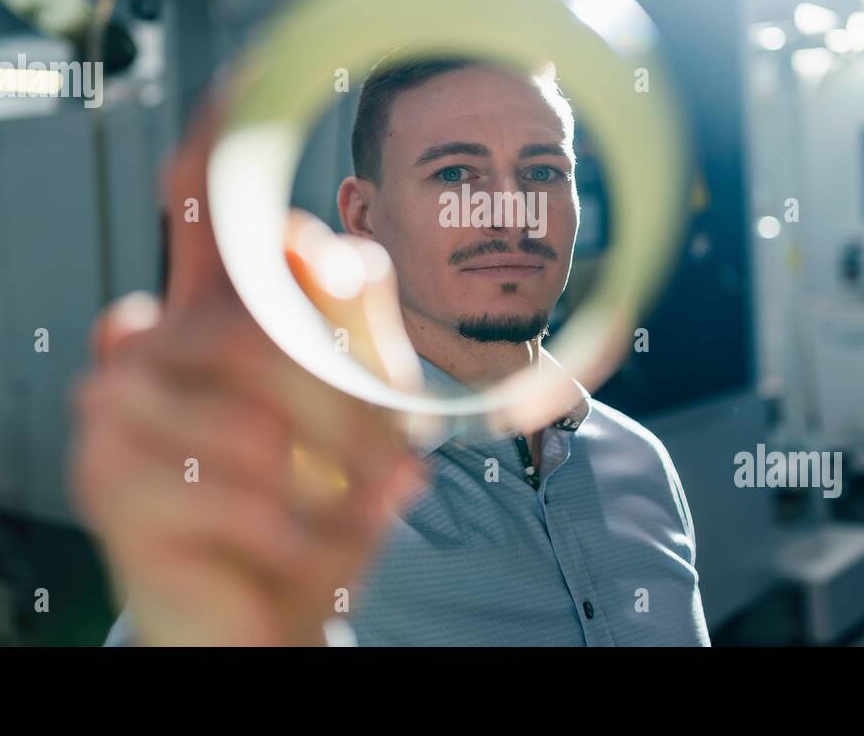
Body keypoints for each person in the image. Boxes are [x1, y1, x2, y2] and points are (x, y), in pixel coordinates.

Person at [75, 55, 709, 646]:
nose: (510, 214)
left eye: (543, 172)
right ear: (362, 215)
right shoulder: (303, 489)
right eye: (455, 173)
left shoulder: (639, 461)